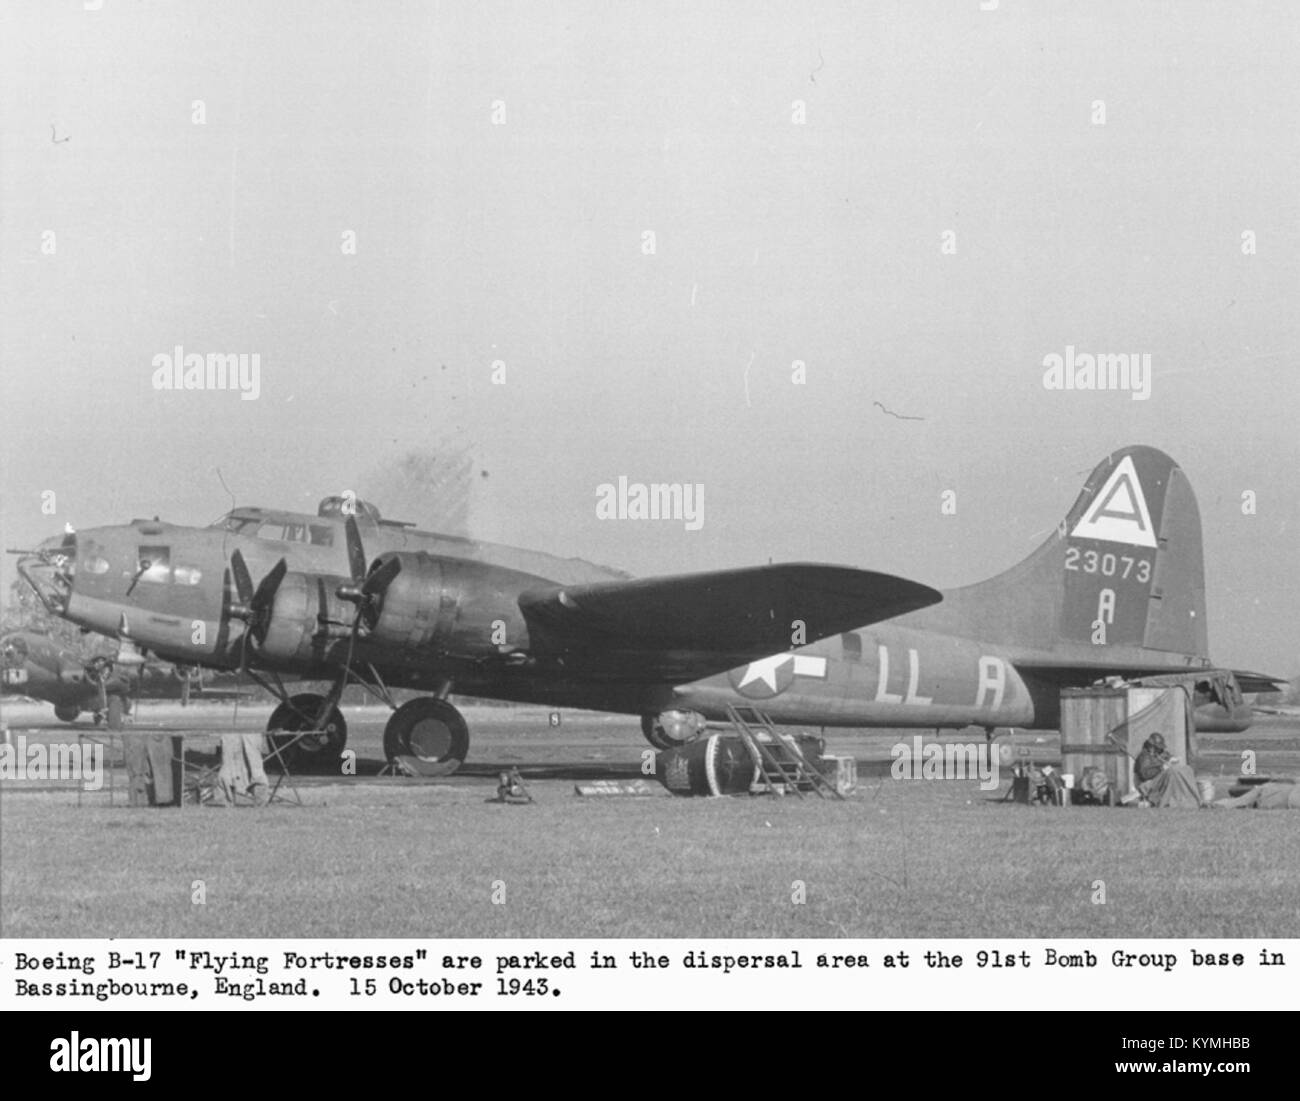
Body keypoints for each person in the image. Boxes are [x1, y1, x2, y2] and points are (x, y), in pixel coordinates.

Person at [1132, 731, 1202, 808]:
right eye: (1158, 748)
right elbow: (1145, 775)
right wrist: (1162, 768)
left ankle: (1191, 797)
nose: (1160, 750)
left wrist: (1172, 759)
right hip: (1148, 783)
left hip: (1160, 780)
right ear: (1151, 747)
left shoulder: (1159, 754)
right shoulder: (1144, 757)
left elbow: (1167, 756)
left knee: (1187, 769)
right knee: (1171, 772)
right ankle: (1173, 800)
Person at [216, 731, 270, 806]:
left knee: (256, 770)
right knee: (227, 771)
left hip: (251, 732)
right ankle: (226, 801)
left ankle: (260, 801)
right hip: (229, 733)